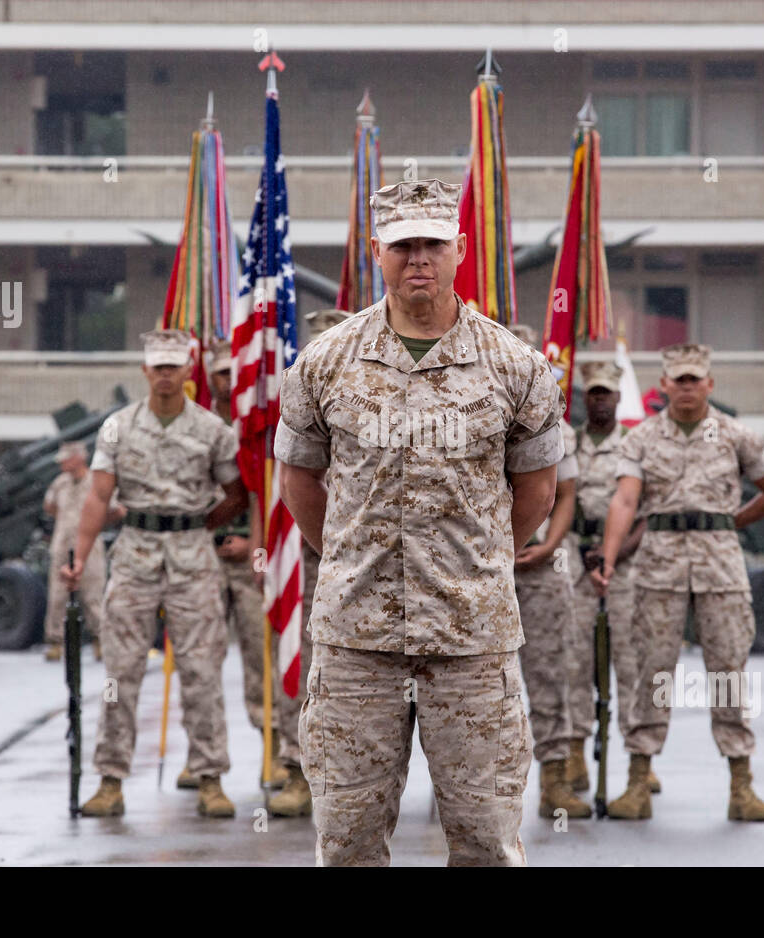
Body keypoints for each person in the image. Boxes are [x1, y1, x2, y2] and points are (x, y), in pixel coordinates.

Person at [276, 178, 565, 865]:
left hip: (471, 641)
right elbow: (298, 481)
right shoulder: (324, 362)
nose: (418, 259)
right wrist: (352, 556)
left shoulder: (516, 367)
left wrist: (478, 562)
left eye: (432, 243)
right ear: (377, 250)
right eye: (403, 244)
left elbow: (537, 490)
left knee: (486, 840)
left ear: (459, 249)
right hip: (356, 641)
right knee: (347, 842)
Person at [591, 344, 764, 822]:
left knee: (728, 672)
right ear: (663, 384)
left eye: (694, 379)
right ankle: (639, 780)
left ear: (709, 384)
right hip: (659, 565)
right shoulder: (640, 440)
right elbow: (624, 501)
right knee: (652, 672)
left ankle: (741, 786)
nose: (686, 387)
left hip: (720, 568)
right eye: (678, 379)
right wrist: (610, 557)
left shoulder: (735, 436)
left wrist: (731, 523)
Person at [63, 328, 248, 819]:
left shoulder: (213, 429)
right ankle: (109, 779)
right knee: (119, 672)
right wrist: (78, 558)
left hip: (192, 558)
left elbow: (236, 494)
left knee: (202, 670)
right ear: (145, 371)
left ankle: (210, 776)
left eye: (174, 366)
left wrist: (197, 524)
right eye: (158, 367)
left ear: (189, 371)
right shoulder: (117, 428)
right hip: (135, 555)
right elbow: (99, 497)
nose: (166, 375)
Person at [269, 307, 350, 818]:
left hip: (370, 560)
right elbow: (293, 479)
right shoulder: (297, 402)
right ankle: (299, 770)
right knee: (305, 669)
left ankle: (350, 781)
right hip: (311, 553)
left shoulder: (377, 398)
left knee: (366, 679)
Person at [565, 361, 659, 796]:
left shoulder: (635, 446)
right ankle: (575, 755)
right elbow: (557, 504)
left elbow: (648, 512)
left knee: (630, 663)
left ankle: (640, 762)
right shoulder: (569, 443)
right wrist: (586, 553)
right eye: (593, 392)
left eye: (607, 392)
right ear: (585, 398)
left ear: (619, 398)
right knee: (576, 661)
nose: (600, 399)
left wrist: (615, 551)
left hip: (624, 568)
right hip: (577, 564)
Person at [506, 325, 588, 819]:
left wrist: (550, 544)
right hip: (481, 565)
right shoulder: (470, 412)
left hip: (538, 564)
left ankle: (555, 781)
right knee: (473, 681)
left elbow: (567, 493)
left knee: (550, 673)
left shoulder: (556, 423)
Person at [204, 341, 287, 789]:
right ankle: (204, 760)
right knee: (201, 661)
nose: (224, 381)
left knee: (260, 658)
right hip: (200, 559)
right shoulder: (198, 426)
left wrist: (254, 550)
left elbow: (260, 494)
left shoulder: (252, 426)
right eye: (217, 373)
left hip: (246, 554)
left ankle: (271, 747)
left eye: (230, 373)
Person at [43, 441, 118, 663]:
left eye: (66, 458)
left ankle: (99, 641)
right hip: (61, 546)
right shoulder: (60, 484)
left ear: (79, 458)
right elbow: (50, 507)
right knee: (57, 595)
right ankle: (55, 642)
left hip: (91, 547)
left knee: (93, 595)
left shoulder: (96, 482)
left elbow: (116, 510)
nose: (62, 463)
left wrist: (95, 524)